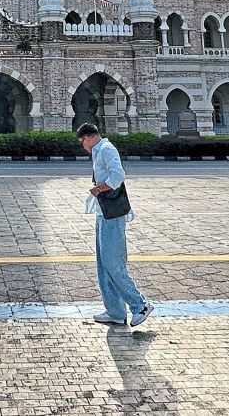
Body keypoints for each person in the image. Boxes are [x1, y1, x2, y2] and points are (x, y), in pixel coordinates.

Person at [78, 123, 153, 327]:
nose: (83, 148)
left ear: (88, 137)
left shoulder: (106, 149)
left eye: (82, 143)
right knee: (103, 264)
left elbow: (118, 176)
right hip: (104, 212)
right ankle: (115, 311)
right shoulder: (99, 151)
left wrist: (99, 189)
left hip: (112, 213)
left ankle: (141, 305)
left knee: (113, 263)